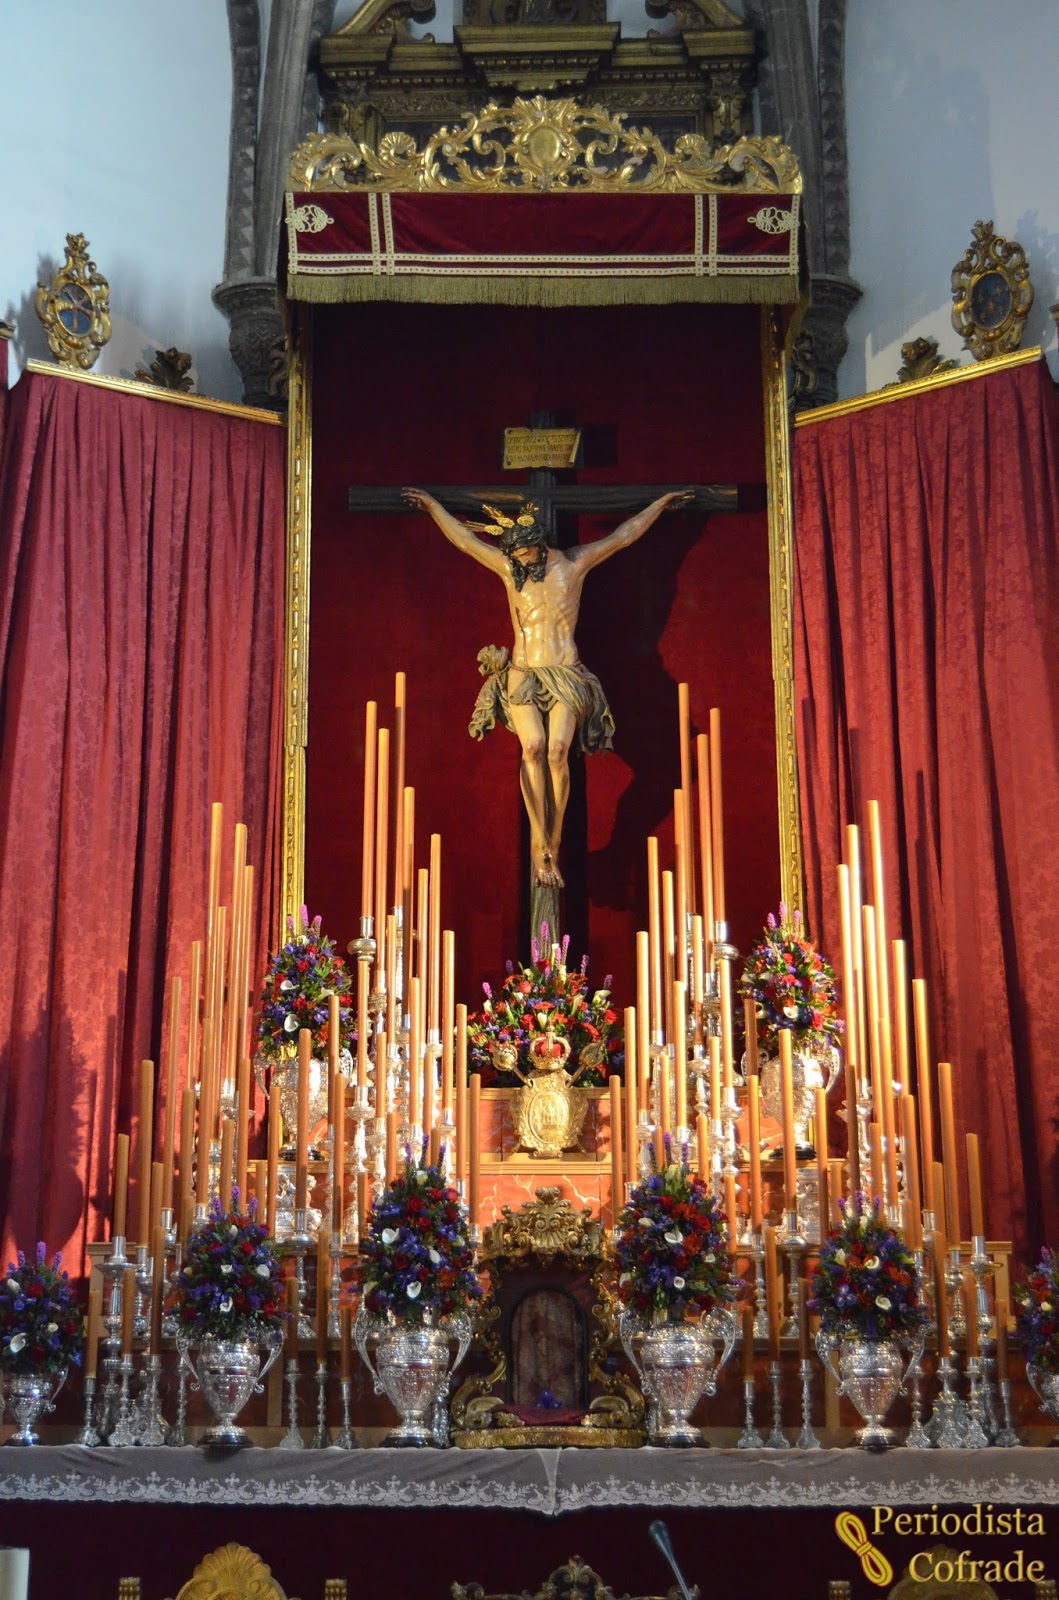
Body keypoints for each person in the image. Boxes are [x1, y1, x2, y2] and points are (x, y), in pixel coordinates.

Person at [402, 486, 692, 888]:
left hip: (565, 671)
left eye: (524, 555)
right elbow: (466, 541)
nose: (518, 563)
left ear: (539, 546)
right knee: (533, 746)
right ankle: (539, 843)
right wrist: (434, 507)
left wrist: (658, 505)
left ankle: (552, 842)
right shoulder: (510, 569)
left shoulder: (573, 565)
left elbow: (623, 536)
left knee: (557, 751)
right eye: (515, 557)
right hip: (523, 671)